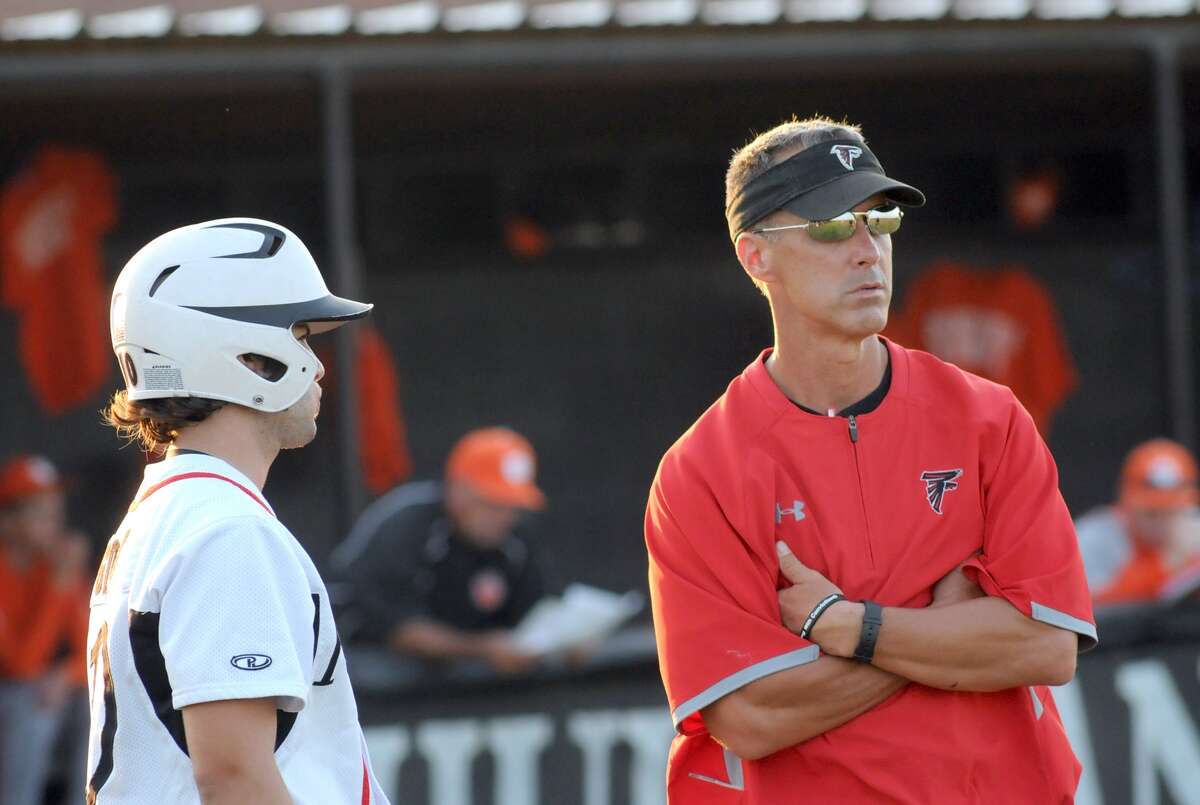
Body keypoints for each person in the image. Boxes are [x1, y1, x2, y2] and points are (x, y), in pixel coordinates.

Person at [644, 117, 1097, 803]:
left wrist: (850, 625)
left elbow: (1043, 647)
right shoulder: (700, 471)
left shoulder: (989, 418)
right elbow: (753, 715)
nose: (867, 249)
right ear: (755, 257)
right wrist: (939, 628)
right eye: (830, 225)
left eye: (879, 219)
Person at [87, 218, 390, 804]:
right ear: (247, 358)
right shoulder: (226, 530)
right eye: (300, 335)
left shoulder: (174, 510)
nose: (319, 365)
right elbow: (234, 778)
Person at [332, 427, 547, 674]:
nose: (505, 517)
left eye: (513, 506)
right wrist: (484, 649)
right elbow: (397, 630)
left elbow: (536, 615)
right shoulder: (407, 525)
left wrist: (561, 646)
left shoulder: (516, 538)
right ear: (458, 490)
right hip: (366, 678)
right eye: (493, 503)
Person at [0, 455, 90, 805]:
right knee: (34, 703)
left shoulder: (54, 563)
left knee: (89, 701)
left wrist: (65, 675)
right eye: (41, 515)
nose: (55, 525)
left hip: (31, 685)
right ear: (7, 522)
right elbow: (20, 667)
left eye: (56, 513)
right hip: (11, 687)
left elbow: (92, 654)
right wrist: (59, 587)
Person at [1076, 438, 1200, 604]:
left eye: (1171, 512)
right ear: (1126, 502)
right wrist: (1167, 562)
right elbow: (1086, 608)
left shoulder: (1194, 529)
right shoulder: (1094, 538)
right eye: (1152, 513)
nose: (1162, 522)